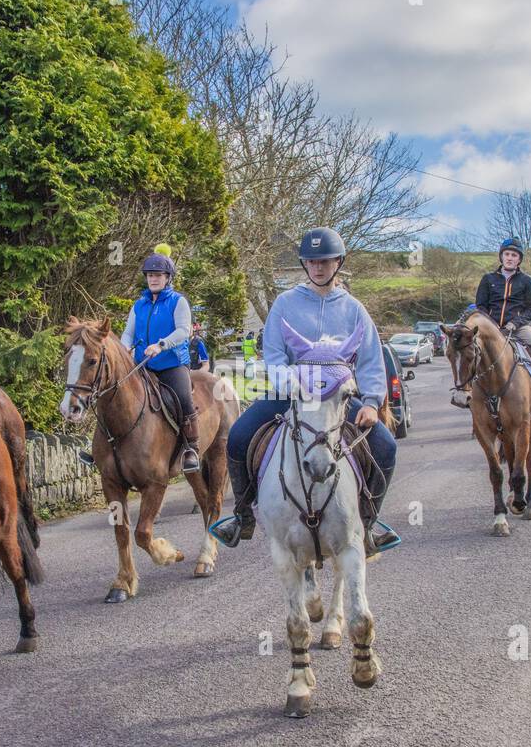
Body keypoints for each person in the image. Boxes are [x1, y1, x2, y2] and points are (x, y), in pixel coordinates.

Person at [210, 226, 398, 556]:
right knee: (239, 435)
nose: (318, 267)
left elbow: (370, 358)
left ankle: (370, 522)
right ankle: (242, 516)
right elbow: (274, 354)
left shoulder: (354, 309)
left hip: (338, 398)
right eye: (311, 262)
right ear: (304, 264)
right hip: (290, 394)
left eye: (324, 261)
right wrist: (289, 384)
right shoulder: (285, 304)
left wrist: (370, 402)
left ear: (338, 262)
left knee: (385, 445)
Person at [120, 244, 201, 474]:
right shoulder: (139, 304)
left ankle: (190, 449)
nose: (153, 279)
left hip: (171, 364)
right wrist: (124, 347)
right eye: (150, 275)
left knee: (184, 400)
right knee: (115, 394)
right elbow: (128, 332)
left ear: (168, 278)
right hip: (142, 365)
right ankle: (105, 448)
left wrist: (161, 345)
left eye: (158, 275)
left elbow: (184, 330)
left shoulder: (177, 302)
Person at [473, 238, 531, 409]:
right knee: (470, 349)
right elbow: (481, 306)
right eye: (507, 254)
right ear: (501, 257)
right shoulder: (488, 279)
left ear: (519, 259)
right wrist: (490, 324)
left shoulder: (526, 281)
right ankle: (467, 391)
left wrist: (515, 323)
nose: (510, 258)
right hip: (491, 328)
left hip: (517, 328)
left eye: (514, 255)